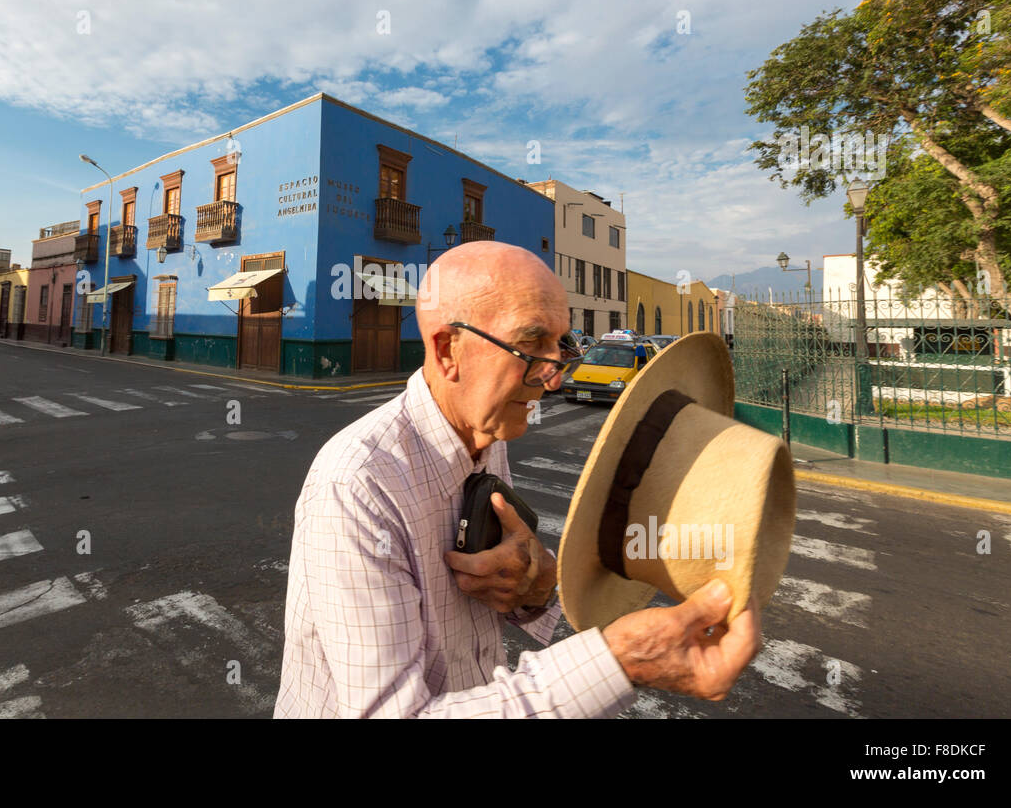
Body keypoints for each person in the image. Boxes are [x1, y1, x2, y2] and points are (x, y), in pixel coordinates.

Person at [274, 242, 761, 718]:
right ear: (447, 350)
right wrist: (622, 660)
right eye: (530, 346)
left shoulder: (487, 432)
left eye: (561, 345)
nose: (555, 378)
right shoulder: (358, 483)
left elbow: (508, 587)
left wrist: (536, 582)